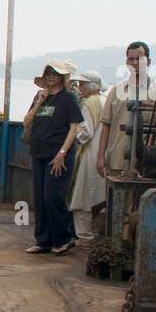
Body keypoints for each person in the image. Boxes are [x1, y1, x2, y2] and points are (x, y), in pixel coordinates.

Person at [22, 60, 83, 255]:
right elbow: (26, 122)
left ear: (62, 78)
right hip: (38, 151)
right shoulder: (40, 97)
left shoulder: (68, 98)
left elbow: (74, 128)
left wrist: (62, 153)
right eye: (48, 73)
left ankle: (63, 238)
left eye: (55, 74)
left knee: (53, 196)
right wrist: (39, 101)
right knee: (40, 198)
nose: (51, 77)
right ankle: (43, 240)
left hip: (59, 154)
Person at [96, 41, 156, 178]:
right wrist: (100, 156)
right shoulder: (116, 90)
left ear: (148, 61)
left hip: (146, 163)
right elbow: (106, 125)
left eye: (139, 59)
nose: (134, 63)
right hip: (117, 160)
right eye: (131, 59)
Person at [68, 70, 106, 241]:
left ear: (91, 86)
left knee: (83, 194)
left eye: (82, 84)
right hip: (103, 153)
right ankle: (96, 231)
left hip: (90, 152)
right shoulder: (105, 100)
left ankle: (84, 234)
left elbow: (85, 132)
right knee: (98, 194)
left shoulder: (88, 103)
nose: (79, 87)